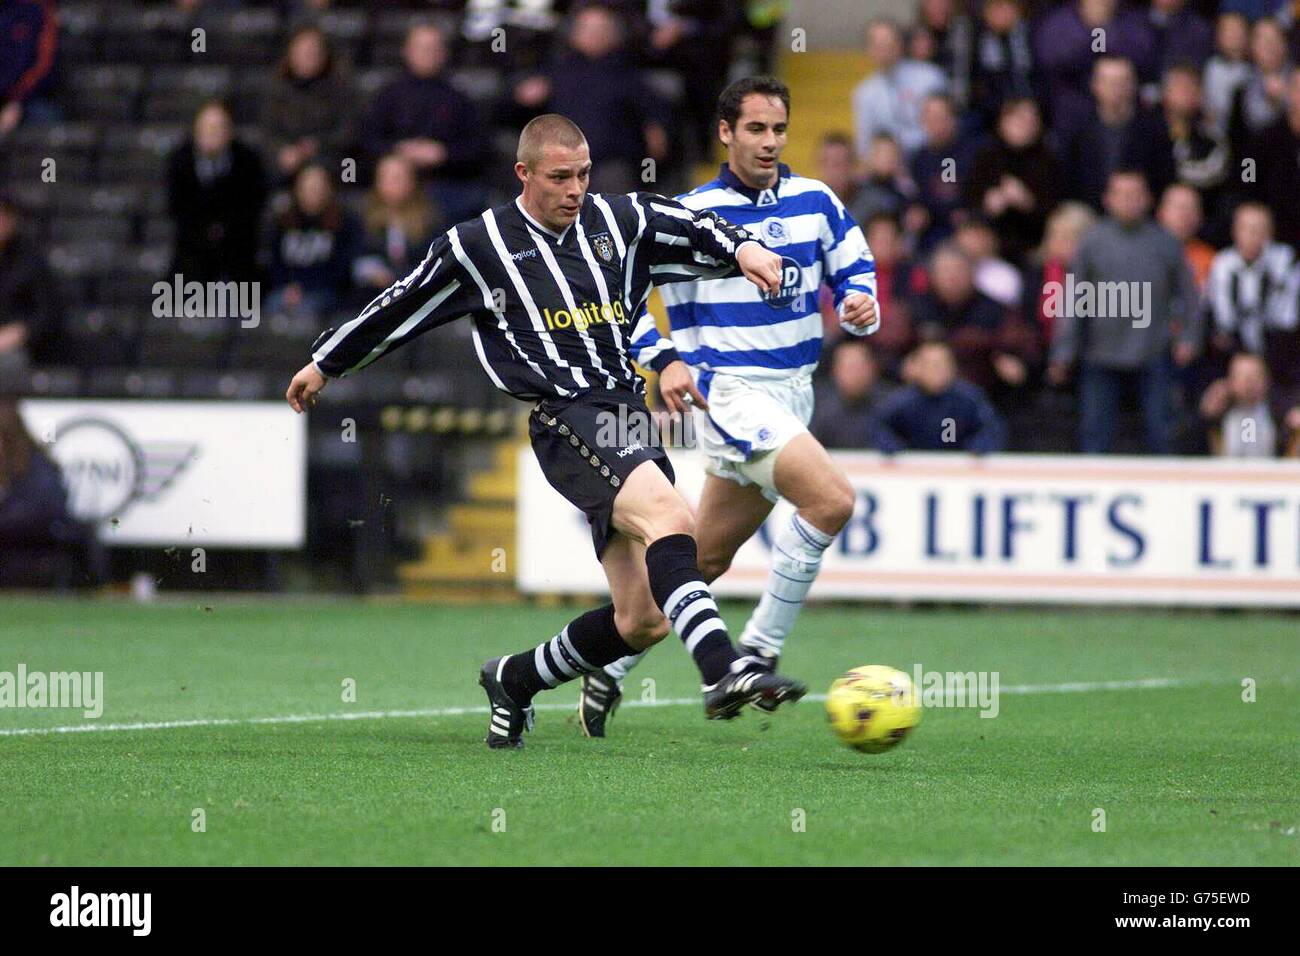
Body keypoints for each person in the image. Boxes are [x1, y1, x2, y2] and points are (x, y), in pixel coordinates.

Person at [286, 113, 805, 749]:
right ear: (524, 174)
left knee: (641, 620)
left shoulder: (618, 221)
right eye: (560, 177)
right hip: (566, 415)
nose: (575, 189)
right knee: (674, 518)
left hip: (624, 412)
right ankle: (724, 670)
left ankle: (513, 678)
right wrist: (325, 362)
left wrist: (745, 248)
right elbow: (403, 303)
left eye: (583, 174)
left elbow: (691, 219)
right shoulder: (479, 245)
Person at [579, 76, 880, 735]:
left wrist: (861, 309)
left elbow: (857, 273)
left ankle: (607, 669)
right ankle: (760, 649)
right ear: (725, 132)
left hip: (791, 395)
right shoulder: (690, 216)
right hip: (731, 394)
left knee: (700, 565)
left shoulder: (816, 202)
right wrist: (667, 358)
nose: (769, 141)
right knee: (832, 501)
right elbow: (617, 305)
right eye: (755, 129)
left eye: (778, 129)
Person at [1047, 169, 1201, 453]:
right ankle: (1094, 489)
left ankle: (1165, 490)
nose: (1129, 202)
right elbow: (1074, 300)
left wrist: (1189, 337)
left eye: (1136, 195)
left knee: (1162, 433)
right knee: (1095, 434)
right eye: (1122, 195)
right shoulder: (1092, 243)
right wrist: (1063, 351)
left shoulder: (1165, 243)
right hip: (1100, 354)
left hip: (1153, 351)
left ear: (1147, 199)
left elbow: (1189, 296)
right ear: (1108, 199)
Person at [166, 101, 267, 283]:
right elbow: (177, 208)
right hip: (192, 253)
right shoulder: (180, 162)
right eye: (207, 128)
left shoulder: (248, 161)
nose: (212, 134)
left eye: (217, 128)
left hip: (237, 253)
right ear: (196, 131)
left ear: (229, 131)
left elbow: (253, 206)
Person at [872, 341, 1008, 452]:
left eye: (942, 365)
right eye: (931, 366)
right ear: (917, 369)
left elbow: (991, 426)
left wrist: (979, 446)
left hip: (960, 467)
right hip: (915, 468)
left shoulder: (969, 398)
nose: (936, 372)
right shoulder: (903, 401)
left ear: (952, 368)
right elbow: (880, 425)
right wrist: (891, 446)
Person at [853, 17, 948, 159]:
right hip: (890, 169)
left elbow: (947, 128)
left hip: (933, 159)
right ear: (869, 50)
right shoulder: (864, 93)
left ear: (900, 45)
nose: (884, 51)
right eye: (878, 45)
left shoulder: (931, 77)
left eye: (888, 44)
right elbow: (865, 146)